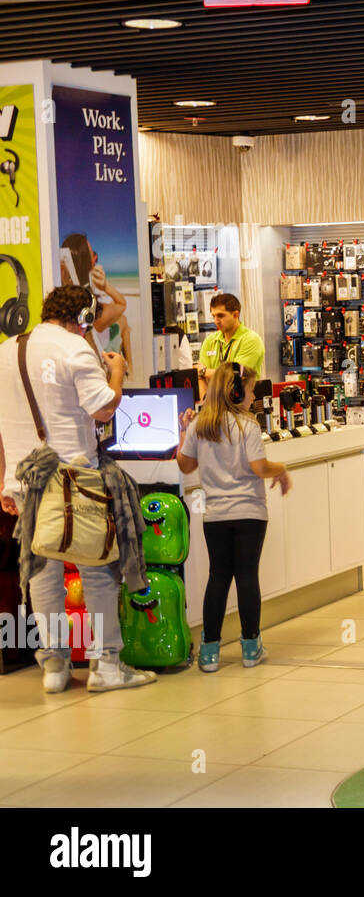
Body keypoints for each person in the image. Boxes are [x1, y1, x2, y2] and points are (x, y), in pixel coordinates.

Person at [0, 285, 158, 693]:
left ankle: (54, 667)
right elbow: (103, 408)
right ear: (82, 318)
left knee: (41, 572)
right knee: (99, 569)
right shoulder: (74, 348)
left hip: (24, 480)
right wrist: (118, 371)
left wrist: (5, 481)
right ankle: (107, 665)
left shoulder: (6, 351)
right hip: (74, 480)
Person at [177, 361, 290, 672]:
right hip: (250, 513)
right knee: (246, 576)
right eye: (251, 390)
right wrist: (281, 470)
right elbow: (259, 467)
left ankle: (210, 651)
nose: (253, 397)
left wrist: (182, 432)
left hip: (215, 515)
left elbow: (185, 466)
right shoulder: (248, 426)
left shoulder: (201, 425)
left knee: (219, 577)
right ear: (237, 392)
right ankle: (251, 647)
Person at [60, 233, 132, 376]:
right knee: (124, 323)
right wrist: (105, 286)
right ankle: (131, 370)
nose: (95, 259)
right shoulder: (87, 307)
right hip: (95, 371)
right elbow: (121, 304)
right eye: (92, 255)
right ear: (87, 262)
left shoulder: (60, 300)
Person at [197, 293, 264, 400]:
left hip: (243, 406)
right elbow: (200, 377)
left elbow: (234, 376)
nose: (216, 321)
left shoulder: (251, 339)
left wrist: (205, 372)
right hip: (214, 406)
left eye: (220, 315)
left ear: (235, 315)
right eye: (213, 316)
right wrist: (206, 405)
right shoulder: (210, 341)